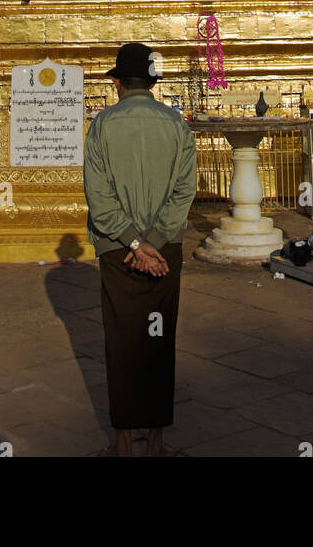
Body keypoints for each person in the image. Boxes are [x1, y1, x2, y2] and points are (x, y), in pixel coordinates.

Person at [83, 42, 197, 458]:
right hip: (165, 251)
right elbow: (185, 190)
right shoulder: (176, 124)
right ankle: (157, 441)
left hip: (118, 252)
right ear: (151, 83)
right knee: (158, 340)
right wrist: (153, 241)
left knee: (121, 343)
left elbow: (99, 197)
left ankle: (123, 441)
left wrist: (133, 242)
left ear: (118, 83)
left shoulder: (102, 125)